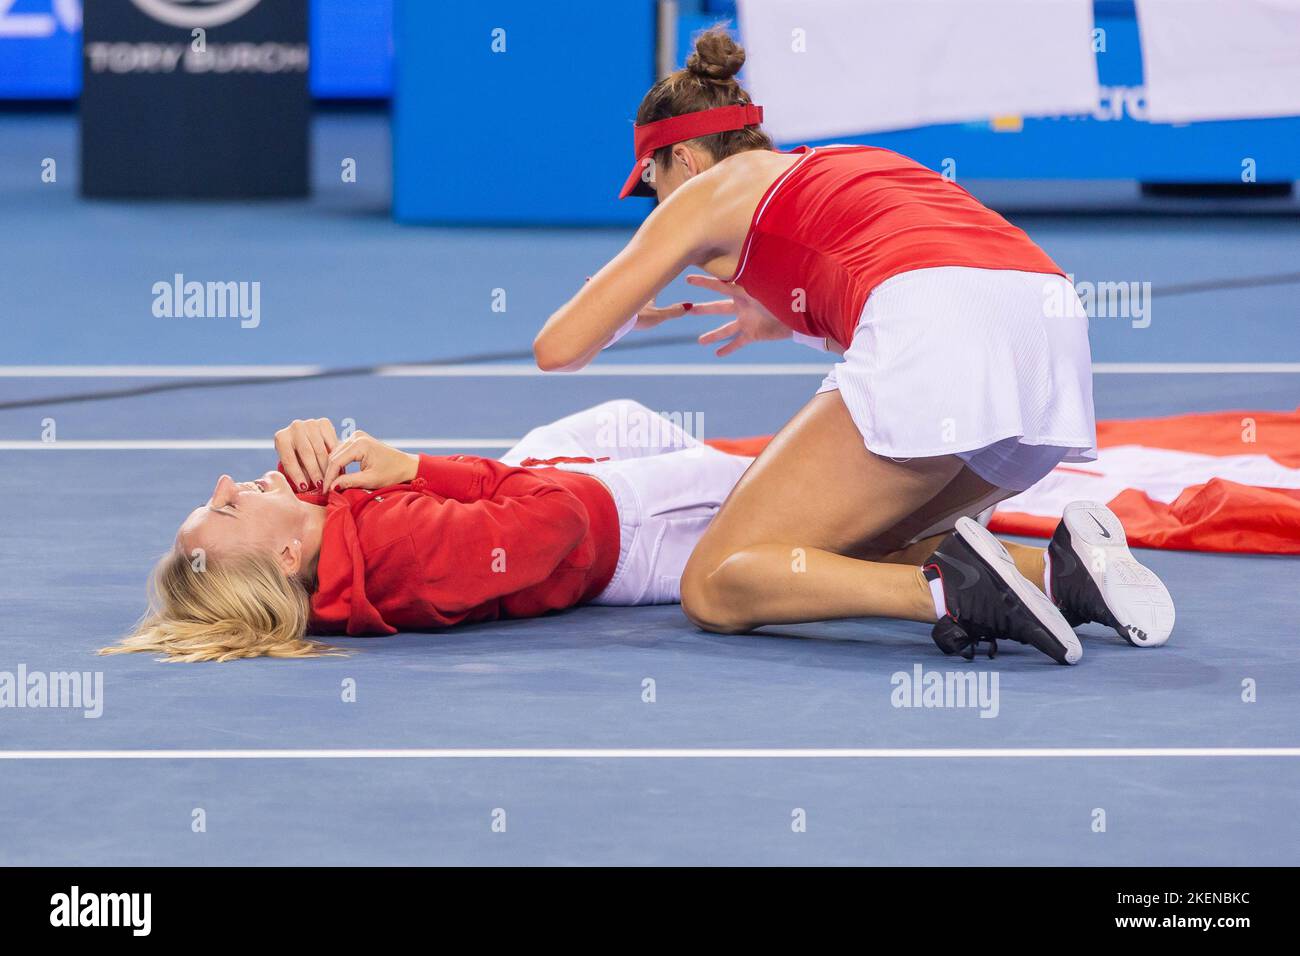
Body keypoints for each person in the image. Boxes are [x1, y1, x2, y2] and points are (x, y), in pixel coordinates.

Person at [533, 28, 1175, 663]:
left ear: (685, 160)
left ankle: (949, 595)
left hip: (938, 324)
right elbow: (920, 265)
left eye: (653, 184)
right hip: (1051, 328)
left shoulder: (703, 190)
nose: (658, 201)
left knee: (715, 583)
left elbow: (558, 347)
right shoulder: (848, 162)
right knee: (841, 553)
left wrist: (623, 307)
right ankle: (1063, 573)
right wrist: (785, 319)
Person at [103, 401, 751, 662]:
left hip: (550, 473)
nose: (222, 484)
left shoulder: (310, 544)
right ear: (286, 555)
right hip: (630, 529)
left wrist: (299, 456)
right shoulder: (407, 554)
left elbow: (307, 515)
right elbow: (561, 518)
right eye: (225, 509)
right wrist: (417, 466)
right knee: (825, 478)